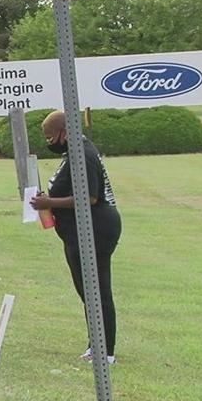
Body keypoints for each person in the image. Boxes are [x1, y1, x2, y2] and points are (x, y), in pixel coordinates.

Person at [29, 110, 122, 365]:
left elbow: (89, 198)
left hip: (96, 229)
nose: (49, 142)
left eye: (50, 137)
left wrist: (49, 201)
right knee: (86, 291)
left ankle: (106, 352)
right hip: (76, 232)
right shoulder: (72, 154)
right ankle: (96, 345)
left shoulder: (83, 155)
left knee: (97, 291)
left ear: (64, 132)